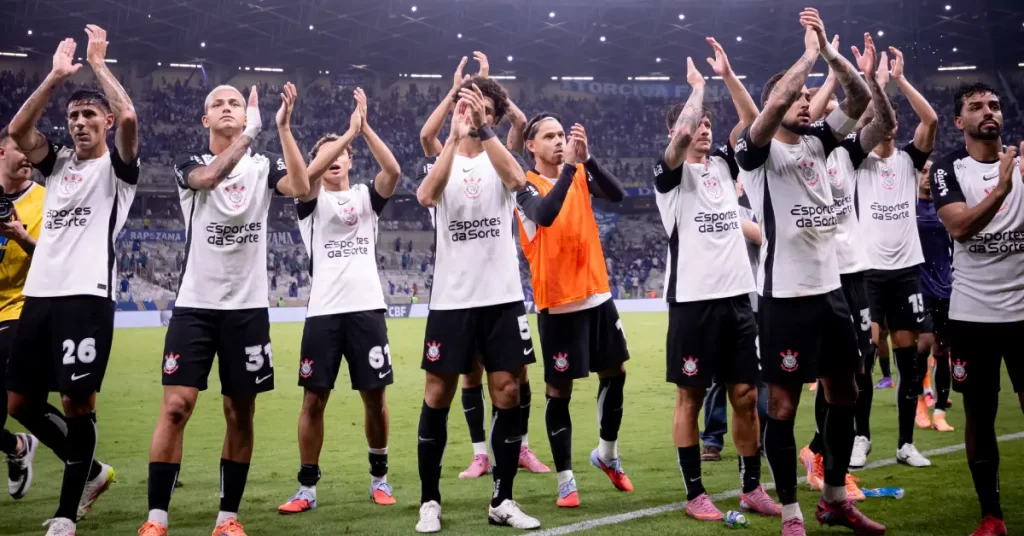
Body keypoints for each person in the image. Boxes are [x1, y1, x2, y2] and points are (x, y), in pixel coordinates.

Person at [734, 9, 885, 534]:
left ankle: (835, 498)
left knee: (846, 391)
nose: (804, 101)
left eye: (806, 96)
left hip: (831, 292)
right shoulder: (752, 154)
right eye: (797, 96)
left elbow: (861, 101)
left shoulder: (821, 141)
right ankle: (792, 512)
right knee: (782, 402)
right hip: (784, 297)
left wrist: (830, 54)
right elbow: (774, 100)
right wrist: (805, 55)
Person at [138, 81, 310, 536]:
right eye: (219, 104)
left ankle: (227, 517)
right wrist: (250, 133)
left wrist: (283, 129)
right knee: (176, 406)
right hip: (195, 305)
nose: (229, 108)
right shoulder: (189, 163)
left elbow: (300, 185)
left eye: (235, 102)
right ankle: (156, 518)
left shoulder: (263, 164)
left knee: (240, 412)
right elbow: (210, 179)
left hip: (248, 309)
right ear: (205, 119)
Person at [5, 27, 135, 535]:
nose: (80, 123)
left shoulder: (119, 170)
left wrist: (100, 67)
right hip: (39, 296)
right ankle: (91, 470)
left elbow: (128, 115)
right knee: (19, 403)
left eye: (88, 116)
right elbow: (18, 133)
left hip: (86, 297)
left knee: (76, 403)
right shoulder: (56, 164)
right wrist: (56, 78)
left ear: (103, 122)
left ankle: (65, 512)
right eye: (73, 117)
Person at [653, 48, 781, 522]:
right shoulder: (668, 175)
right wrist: (698, 90)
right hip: (692, 303)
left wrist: (726, 78)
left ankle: (751, 486)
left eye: (709, 123)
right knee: (689, 395)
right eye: (697, 124)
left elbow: (757, 121)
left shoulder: (728, 165)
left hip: (737, 300)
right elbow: (683, 133)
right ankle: (694, 494)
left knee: (746, 395)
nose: (704, 128)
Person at [413, 77, 539, 532]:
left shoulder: (499, 158)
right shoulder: (442, 161)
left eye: (480, 107)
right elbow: (426, 195)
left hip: (502, 299)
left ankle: (502, 500)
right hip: (452, 302)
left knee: (507, 393)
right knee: (437, 396)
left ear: (491, 115)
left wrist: (486, 129)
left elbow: (518, 179)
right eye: (465, 105)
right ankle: (430, 501)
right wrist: (450, 134)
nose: (471, 112)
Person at [277, 88, 402, 514]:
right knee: (313, 400)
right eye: (324, 152)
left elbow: (394, 170)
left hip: (367, 308)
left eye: (340, 152)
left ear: (349, 160)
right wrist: (344, 135)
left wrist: (362, 130)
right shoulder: (310, 199)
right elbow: (304, 177)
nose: (333, 157)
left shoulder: (366, 197)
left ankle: (379, 479)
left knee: (374, 398)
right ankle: (307, 488)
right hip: (324, 312)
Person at [515, 109, 631, 509]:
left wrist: (589, 159)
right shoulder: (523, 186)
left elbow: (617, 196)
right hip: (559, 302)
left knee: (616, 372)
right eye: (549, 136)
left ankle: (607, 454)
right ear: (530, 145)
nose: (558, 140)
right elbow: (545, 216)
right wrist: (570, 169)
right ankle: (565, 480)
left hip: (597, 292)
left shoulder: (578, 172)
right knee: (558, 389)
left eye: (561, 134)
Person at [799, 45, 897, 490]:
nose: (840, 118)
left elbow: (885, 124)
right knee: (831, 374)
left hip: (857, 272)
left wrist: (872, 79)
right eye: (833, 112)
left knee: (860, 370)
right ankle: (821, 457)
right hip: (821, 275)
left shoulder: (848, 154)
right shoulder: (799, 154)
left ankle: (821, 450)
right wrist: (827, 74)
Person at [931, 82, 1023, 536]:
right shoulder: (949, 168)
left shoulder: (1023, 162)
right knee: (979, 416)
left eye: (994, 105)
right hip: (973, 316)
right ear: (959, 121)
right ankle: (992, 516)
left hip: (1023, 314)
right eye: (976, 107)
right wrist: (1002, 189)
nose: (989, 112)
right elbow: (960, 227)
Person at [853, 46, 937, 468]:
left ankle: (905, 444)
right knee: (865, 360)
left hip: (905, 273)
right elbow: (865, 116)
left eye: (889, 122)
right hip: (868, 273)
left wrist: (900, 81)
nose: (885, 128)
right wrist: (873, 82)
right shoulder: (858, 163)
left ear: (895, 123)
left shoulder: (908, 160)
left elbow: (932, 121)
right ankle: (861, 437)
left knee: (909, 359)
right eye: (876, 121)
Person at [0, 126, 45, 500]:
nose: (29, 153)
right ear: (1, 153)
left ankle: (88, 469)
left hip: (22, 307)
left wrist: (21, 237)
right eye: (20, 147)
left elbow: (54, 258)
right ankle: (16, 447)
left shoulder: (47, 200)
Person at [916, 159, 955, 432]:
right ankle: (919, 400)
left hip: (947, 286)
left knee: (943, 350)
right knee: (923, 344)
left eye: (931, 171)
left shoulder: (946, 207)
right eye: (923, 171)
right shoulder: (908, 208)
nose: (927, 177)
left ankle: (940, 410)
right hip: (919, 288)